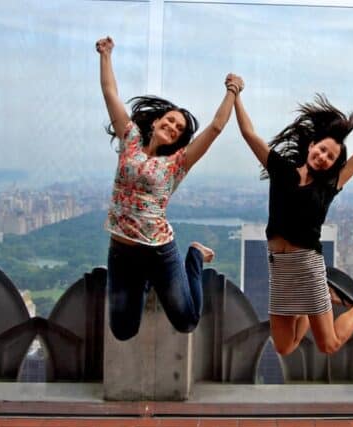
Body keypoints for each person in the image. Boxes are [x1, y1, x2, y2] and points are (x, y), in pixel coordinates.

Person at [96, 36, 244, 340]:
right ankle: (146, 281)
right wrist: (106, 55)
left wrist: (233, 90)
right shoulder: (131, 138)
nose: (173, 127)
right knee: (123, 330)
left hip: (159, 251)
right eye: (171, 120)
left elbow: (215, 127)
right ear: (157, 121)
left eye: (179, 129)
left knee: (187, 321)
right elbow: (110, 93)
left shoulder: (178, 162)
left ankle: (194, 255)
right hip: (122, 252)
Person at [233, 91, 353, 355]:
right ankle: (321, 299)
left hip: (307, 266)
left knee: (329, 344)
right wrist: (235, 95)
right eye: (322, 150)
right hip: (280, 270)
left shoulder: (329, 186)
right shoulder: (282, 170)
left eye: (330, 157)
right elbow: (249, 134)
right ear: (311, 146)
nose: (323, 157)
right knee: (285, 347)